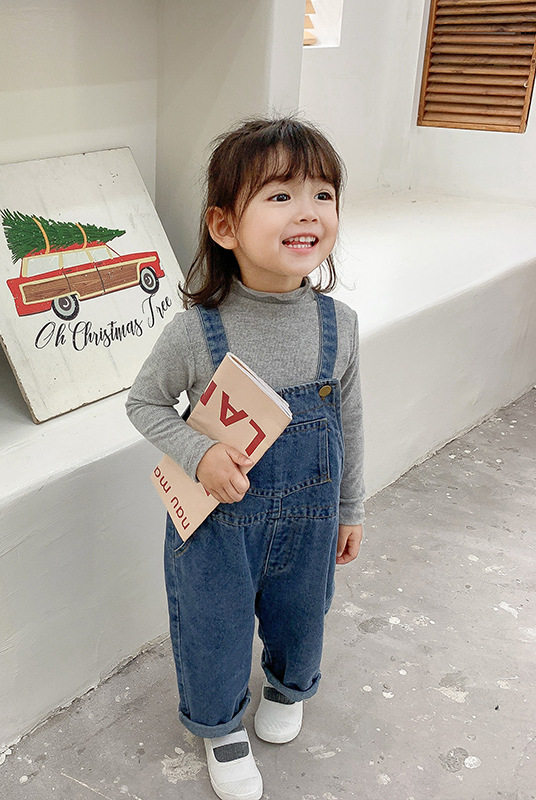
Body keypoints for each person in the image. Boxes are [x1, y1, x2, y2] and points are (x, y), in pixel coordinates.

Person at [126, 116, 364, 800]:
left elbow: (350, 421)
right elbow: (144, 404)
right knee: (214, 624)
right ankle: (221, 727)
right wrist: (199, 452)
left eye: (323, 194)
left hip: (311, 519)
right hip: (217, 529)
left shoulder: (339, 325)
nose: (308, 211)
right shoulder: (194, 333)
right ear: (225, 225)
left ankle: (287, 689)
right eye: (281, 195)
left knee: (303, 610)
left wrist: (351, 508)